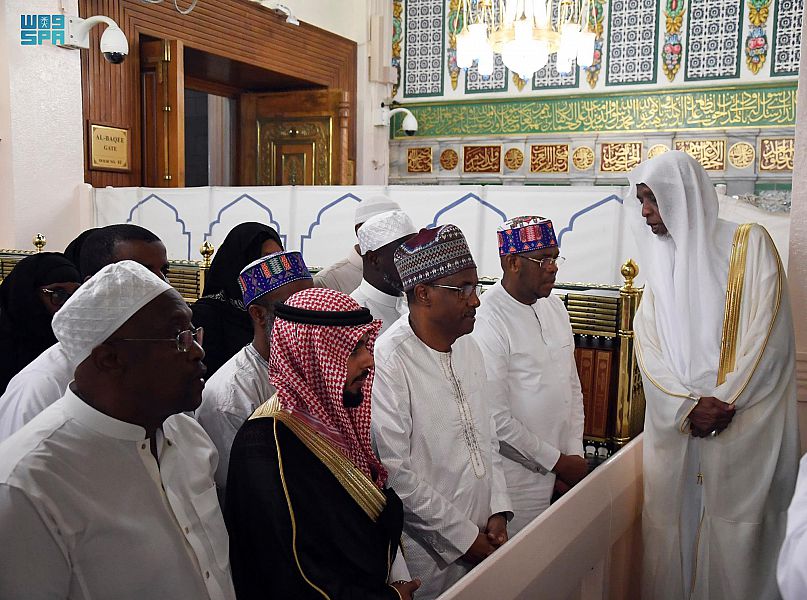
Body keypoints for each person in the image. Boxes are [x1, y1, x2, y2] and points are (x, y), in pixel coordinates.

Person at [0, 260, 235, 599]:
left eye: (192, 332)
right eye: (176, 337)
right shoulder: (27, 485)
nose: (197, 350)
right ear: (109, 358)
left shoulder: (188, 435)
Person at [627, 150, 799, 600]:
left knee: (736, 548)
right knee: (672, 536)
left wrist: (722, 403)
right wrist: (686, 407)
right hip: (680, 429)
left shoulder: (748, 243)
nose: (645, 211)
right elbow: (648, 346)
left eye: (653, 199)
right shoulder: (660, 265)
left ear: (682, 197)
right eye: (641, 199)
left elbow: (769, 335)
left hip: (741, 425)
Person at [225, 287, 420, 600]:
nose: (369, 361)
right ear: (315, 356)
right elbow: (293, 575)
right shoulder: (264, 445)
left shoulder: (340, 421)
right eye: (354, 349)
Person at [372, 224, 512, 600]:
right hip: (429, 557)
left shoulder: (470, 348)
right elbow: (394, 473)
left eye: (476, 287)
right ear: (423, 293)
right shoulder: (389, 360)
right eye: (463, 289)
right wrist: (465, 539)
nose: (476, 300)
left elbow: (486, 439)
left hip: (486, 537)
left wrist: (498, 511)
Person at [0, 224, 171, 442]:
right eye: (142, 275)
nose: (161, 286)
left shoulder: (161, 361)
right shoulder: (45, 383)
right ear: (95, 286)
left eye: (163, 273)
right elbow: (18, 469)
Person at [473, 216, 586, 535]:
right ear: (512, 263)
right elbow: (495, 418)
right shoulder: (487, 318)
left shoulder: (555, 308)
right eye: (543, 259)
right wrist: (557, 461)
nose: (553, 267)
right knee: (521, 571)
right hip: (516, 480)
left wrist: (574, 452)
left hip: (566, 470)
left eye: (555, 257)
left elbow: (572, 388)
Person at [196, 250, 313, 497]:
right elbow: (245, 490)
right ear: (259, 314)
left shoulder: (313, 368)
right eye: (295, 308)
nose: (309, 317)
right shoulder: (231, 397)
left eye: (311, 304)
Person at [192, 222, 283, 377]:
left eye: (278, 260)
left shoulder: (273, 311)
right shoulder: (206, 316)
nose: (274, 270)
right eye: (265, 260)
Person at [0, 253, 81, 394]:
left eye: (76, 294)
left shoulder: (77, 341)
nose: (68, 304)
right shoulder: (6, 348)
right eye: (58, 294)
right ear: (30, 295)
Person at [314, 195, 402, 294]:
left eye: (396, 227)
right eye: (382, 227)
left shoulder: (403, 270)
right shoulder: (327, 281)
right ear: (359, 230)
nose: (392, 235)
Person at [352, 209, 417, 335]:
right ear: (374, 259)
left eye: (414, 253)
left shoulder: (410, 309)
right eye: (403, 255)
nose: (413, 263)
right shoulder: (353, 317)